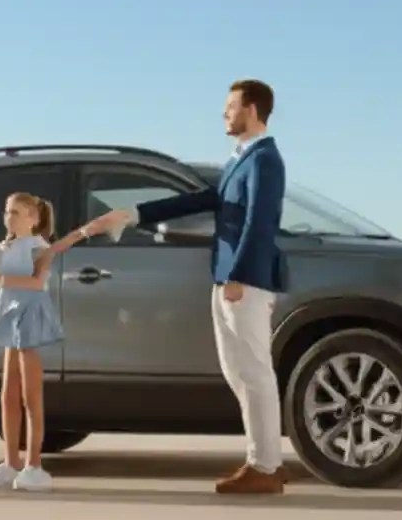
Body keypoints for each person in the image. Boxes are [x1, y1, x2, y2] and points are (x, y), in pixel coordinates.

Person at [91, 79, 288, 494]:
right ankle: (261, 460)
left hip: (243, 280)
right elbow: (202, 200)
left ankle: (267, 467)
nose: (224, 113)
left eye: (230, 106)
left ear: (252, 110)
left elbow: (260, 221)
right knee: (238, 373)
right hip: (227, 277)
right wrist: (132, 214)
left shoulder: (265, 160)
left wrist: (239, 274)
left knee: (254, 372)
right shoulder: (241, 159)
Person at [0, 192, 97, 492]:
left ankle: (34, 464)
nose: (10, 217)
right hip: (9, 314)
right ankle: (10, 461)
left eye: (17, 212)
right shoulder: (4, 246)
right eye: (7, 211)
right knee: (8, 394)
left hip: (29, 314)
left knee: (32, 395)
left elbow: (34, 282)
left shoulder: (39, 248)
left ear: (34, 218)